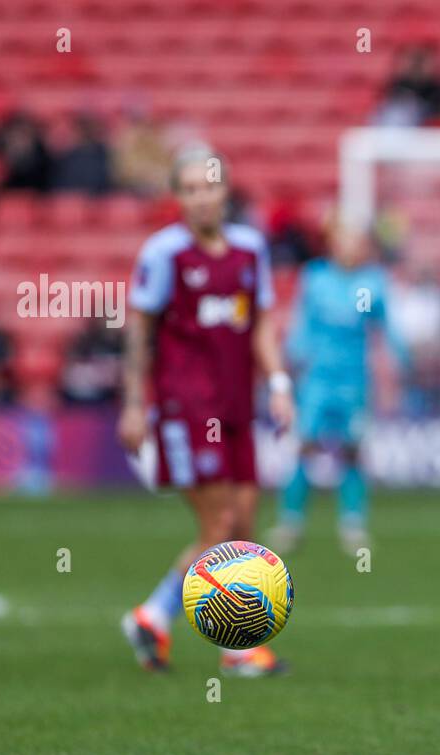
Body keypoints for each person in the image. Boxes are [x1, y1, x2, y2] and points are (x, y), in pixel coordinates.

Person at [118, 146, 293, 678]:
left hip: (238, 403)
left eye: (209, 187)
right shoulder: (164, 254)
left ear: (225, 191)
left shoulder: (249, 250)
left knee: (242, 524)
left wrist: (279, 383)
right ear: (178, 196)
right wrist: (132, 403)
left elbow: (260, 324)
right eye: (189, 189)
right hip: (186, 406)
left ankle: (155, 618)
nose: (200, 198)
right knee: (218, 522)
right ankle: (230, 646)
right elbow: (140, 331)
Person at [268, 221, 412, 555]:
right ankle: (291, 523)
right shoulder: (315, 277)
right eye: (343, 240)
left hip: (354, 381)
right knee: (304, 446)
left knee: (352, 452)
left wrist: (402, 362)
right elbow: (302, 323)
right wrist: (291, 359)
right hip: (317, 379)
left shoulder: (373, 281)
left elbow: (386, 327)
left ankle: (352, 525)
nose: (349, 247)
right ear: (332, 243)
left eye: (355, 240)